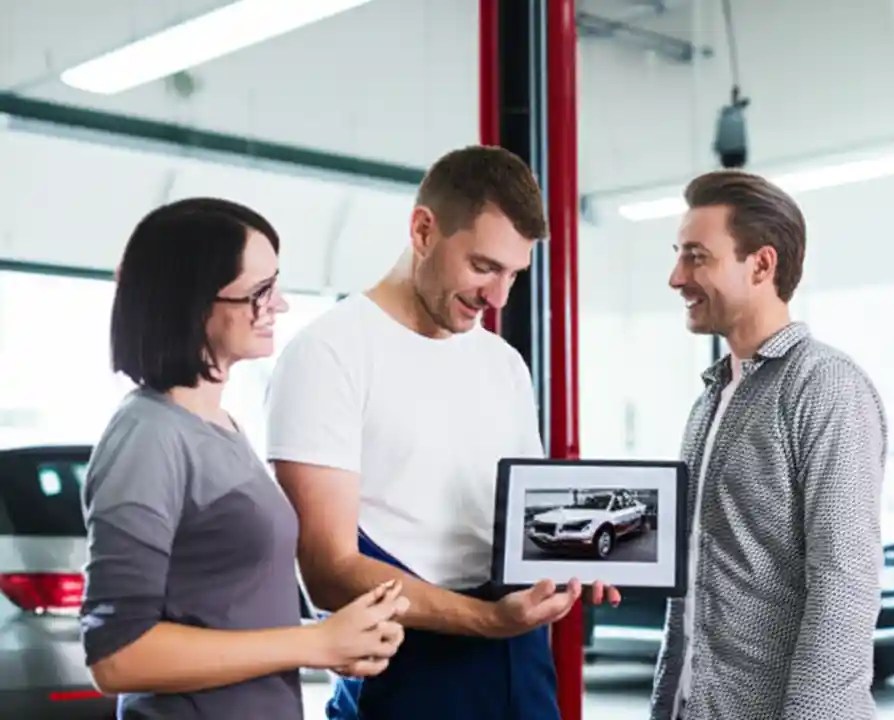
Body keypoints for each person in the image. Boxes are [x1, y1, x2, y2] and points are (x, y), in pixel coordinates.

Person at [264, 145, 621, 720]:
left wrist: (583, 556)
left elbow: (523, 529)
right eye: (483, 267)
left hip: (521, 665)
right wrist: (485, 621)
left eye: (512, 274)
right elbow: (329, 574)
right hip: (405, 671)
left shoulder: (504, 363)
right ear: (424, 230)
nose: (498, 297)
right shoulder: (329, 354)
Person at [79, 198, 410, 720]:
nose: (277, 305)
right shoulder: (148, 438)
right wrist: (314, 644)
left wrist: (334, 641)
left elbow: (223, 617)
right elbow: (118, 656)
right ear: (193, 304)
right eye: (259, 292)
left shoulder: (220, 426)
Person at [650, 170, 887, 720]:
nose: (676, 277)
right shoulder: (712, 396)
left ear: (760, 264)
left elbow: (844, 584)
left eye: (696, 257)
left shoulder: (824, 385)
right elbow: (696, 573)